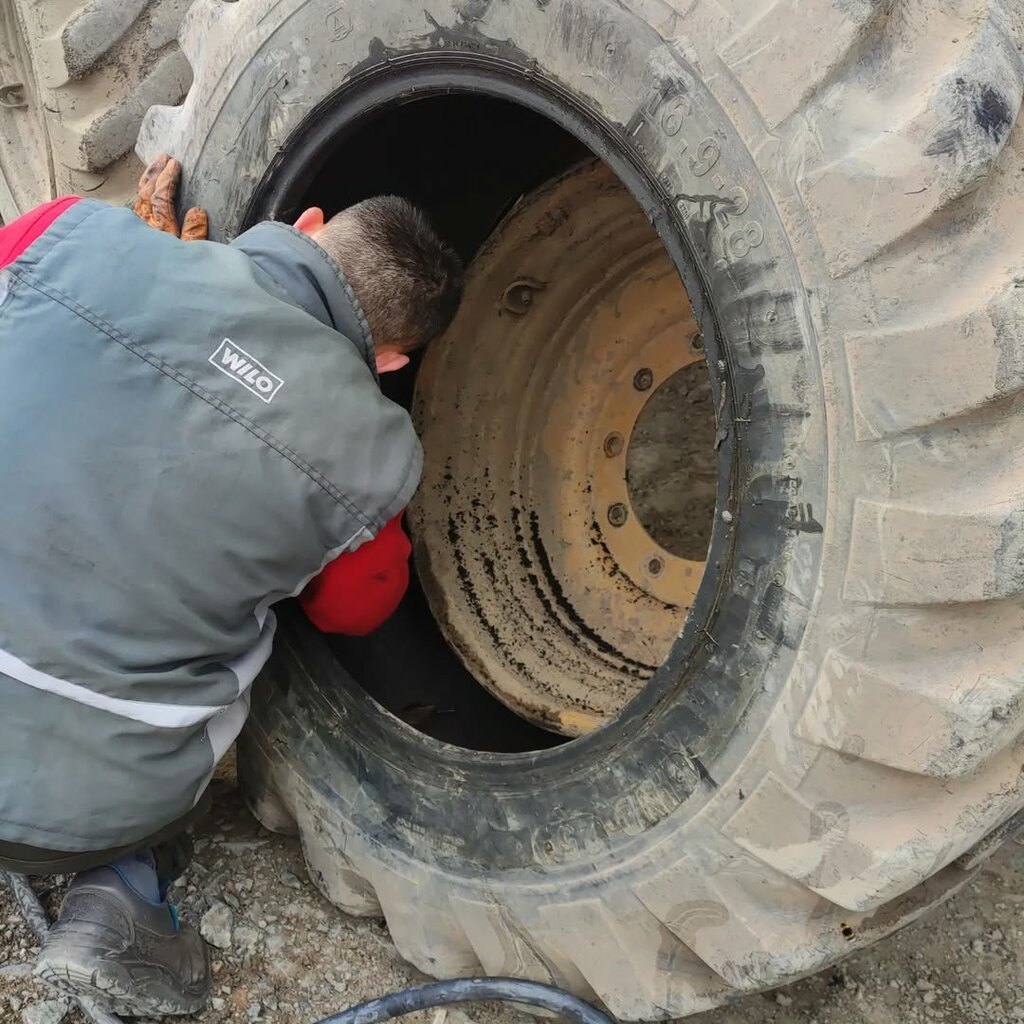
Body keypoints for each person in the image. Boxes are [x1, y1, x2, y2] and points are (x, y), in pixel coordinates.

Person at [0, 154, 463, 1016]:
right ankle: (120, 893)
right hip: (61, 822)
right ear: (393, 359)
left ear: (310, 225)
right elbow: (357, 610)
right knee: (246, 638)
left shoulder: (67, 231)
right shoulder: (370, 456)